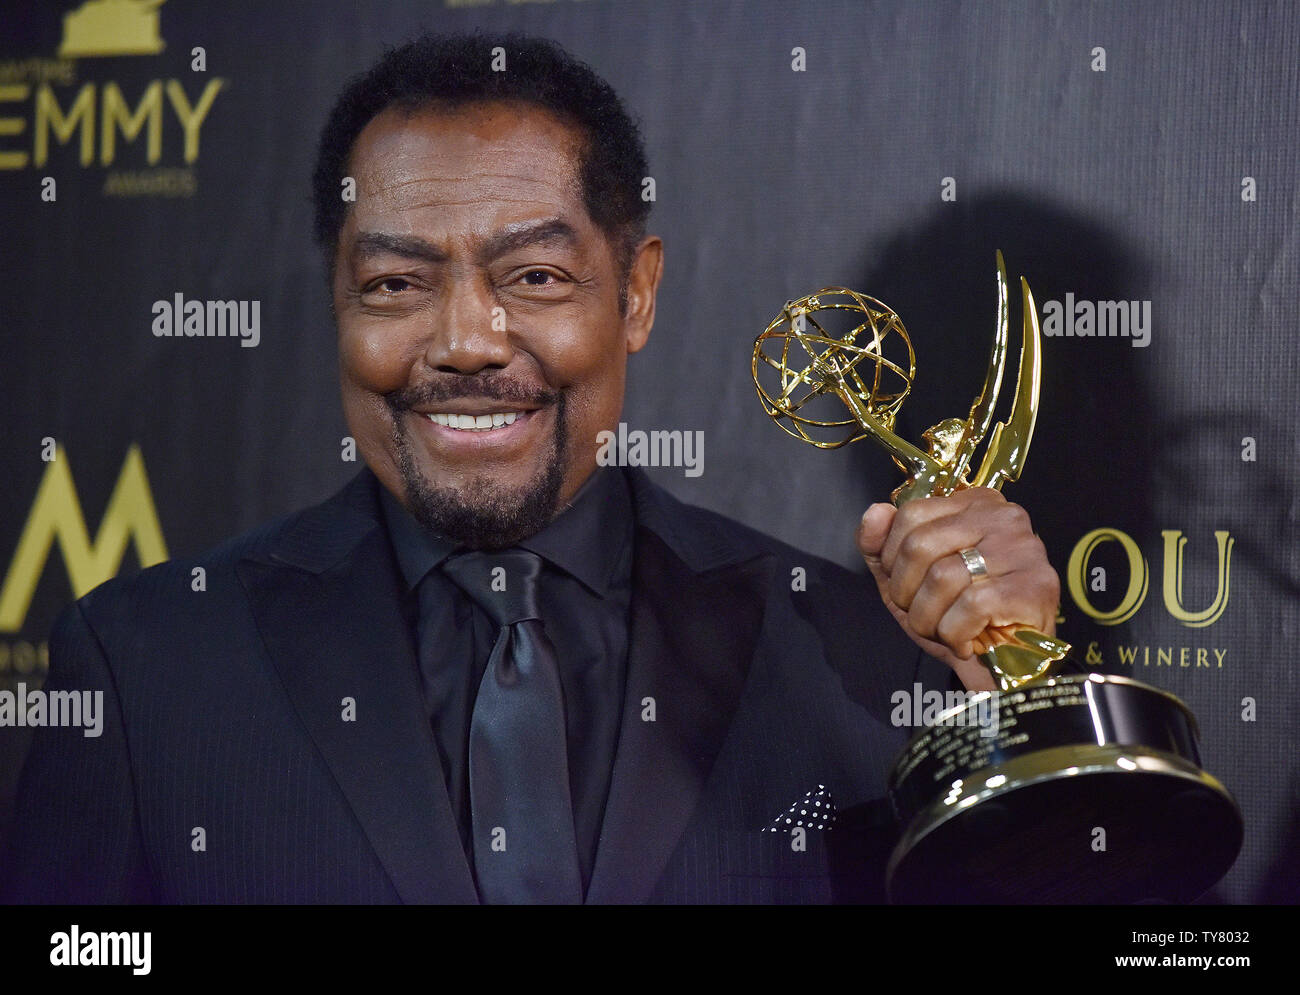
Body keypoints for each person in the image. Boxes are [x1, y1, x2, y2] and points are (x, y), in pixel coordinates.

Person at [1, 32, 1060, 904]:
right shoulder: (148, 669)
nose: (467, 339)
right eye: (396, 283)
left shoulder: (867, 664)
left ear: (634, 293)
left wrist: (1018, 703)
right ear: (337, 296)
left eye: (537, 274)